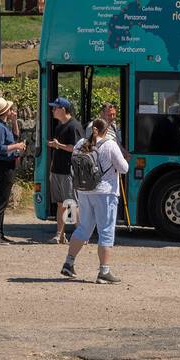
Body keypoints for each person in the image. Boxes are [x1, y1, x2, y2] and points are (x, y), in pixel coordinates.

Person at [61, 118, 129, 284]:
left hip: (84, 191)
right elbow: (124, 168)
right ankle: (104, 271)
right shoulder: (110, 145)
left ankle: (69, 263)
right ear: (106, 130)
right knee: (106, 230)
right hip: (105, 193)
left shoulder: (79, 144)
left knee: (84, 228)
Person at [0, 97, 27, 244]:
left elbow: (15, 136)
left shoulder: (2, 125)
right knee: (0, 201)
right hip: (2, 165)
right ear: (5, 111)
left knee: (2, 201)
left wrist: (14, 121)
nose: (12, 111)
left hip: (6, 164)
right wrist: (17, 147)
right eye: (10, 109)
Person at [46, 98, 84, 244]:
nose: (53, 110)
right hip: (57, 170)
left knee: (71, 203)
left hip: (69, 171)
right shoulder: (59, 126)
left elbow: (76, 148)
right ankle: (59, 235)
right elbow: (60, 147)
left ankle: (81, 234)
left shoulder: (74, 126)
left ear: (63, 109)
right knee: (60, 203)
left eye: (55, 108)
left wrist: (58, 145)